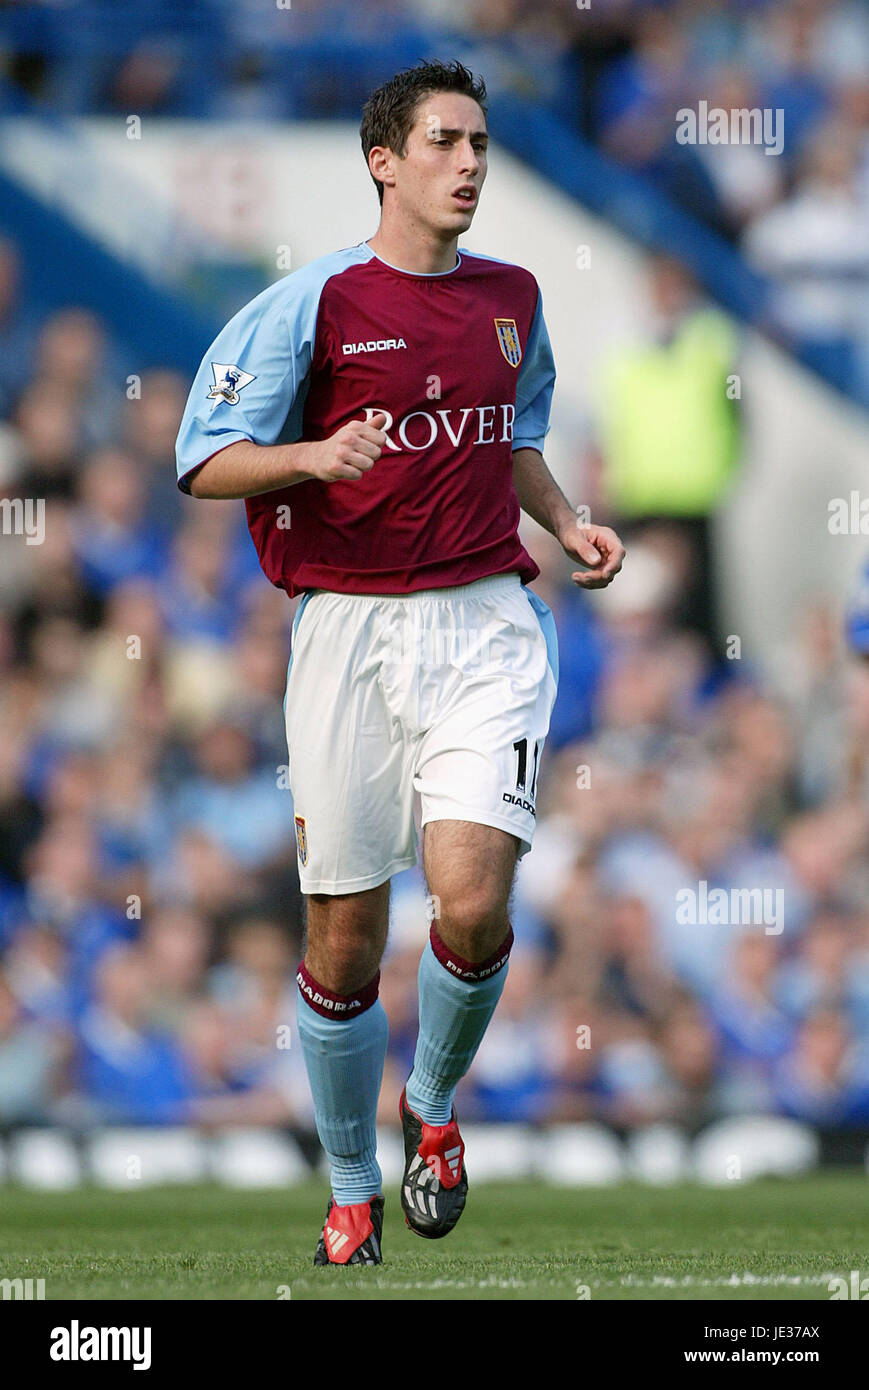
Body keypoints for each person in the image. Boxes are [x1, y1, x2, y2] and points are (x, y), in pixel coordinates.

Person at [175, 59, 624, 1266]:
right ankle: (347, 1181)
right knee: (343, 945)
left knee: (471, 905)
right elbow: (204, 456)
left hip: (483, 618)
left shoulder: (515, 297)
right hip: (346, 630)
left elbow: (512, 439)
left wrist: (566, 521)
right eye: (444, 143)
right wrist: (312, 458)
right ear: (384, 160)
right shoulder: (310, 303)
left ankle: (430, 1103)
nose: (469, 163)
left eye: (479, 143)